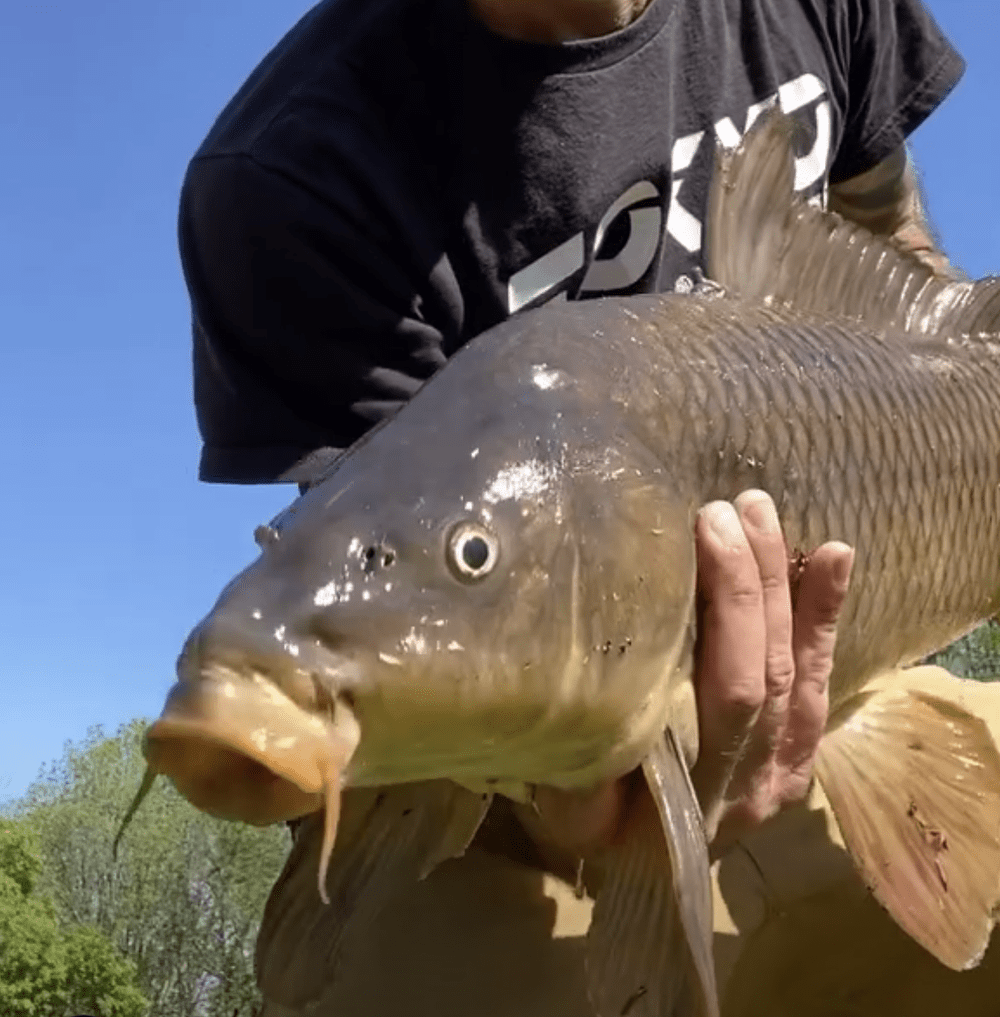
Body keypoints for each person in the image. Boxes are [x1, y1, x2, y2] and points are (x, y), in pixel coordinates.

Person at [177, 0, 964, 1011]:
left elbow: (909, 272)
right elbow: (398, 590)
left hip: (871, 668)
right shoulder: (290, 172)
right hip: (491, 777)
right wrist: (584, 785)